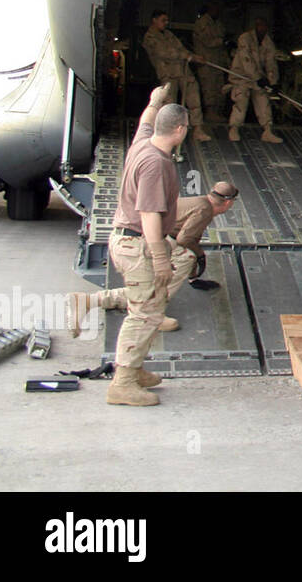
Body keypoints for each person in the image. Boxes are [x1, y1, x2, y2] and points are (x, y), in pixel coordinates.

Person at [103, 84, 186, 406]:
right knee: (144, 314)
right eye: (186, 128)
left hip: (126, 240)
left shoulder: (142, 144)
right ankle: (122, 383)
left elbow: (145, 121)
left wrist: (154, 101)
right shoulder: (156, 164)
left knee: (149, 309)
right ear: (179, 130)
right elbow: (149, 213)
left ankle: (134, 370)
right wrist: (161, 258)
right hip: (137, 244)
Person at [68, 181, 238, 337]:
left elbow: (189, 237)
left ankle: (93, 300)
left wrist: (193, 276)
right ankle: (151, 313)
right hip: (142, 241)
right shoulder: (205, 210)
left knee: (157, 278)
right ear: (228, 203)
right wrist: (200, 255)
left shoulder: (200, 201)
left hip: (138, 236)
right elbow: (185, 240)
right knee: (185, 258)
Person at [141, 10, 212, 141]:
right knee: (169, 105)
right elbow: (164, 52)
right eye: (163, 20)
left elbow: (181, 48)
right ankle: (167, 134)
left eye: (167, 20)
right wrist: (187, 56)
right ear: (154, 20)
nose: (166, 23)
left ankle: (198, 129)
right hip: (168, 74)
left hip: (183, 70)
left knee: (194, 98)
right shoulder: (150, 37)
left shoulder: (169, 34)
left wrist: (194, 57)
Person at [228, 18, 282, 143]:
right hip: (242, 77)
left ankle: (267, 131)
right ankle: (234, 129)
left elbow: (271, 63)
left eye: (265, 26)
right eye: (260, 26)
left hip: (257, 79)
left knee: (263, 102)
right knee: (241, 101)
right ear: (256, 26)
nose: (262, 28)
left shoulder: (268, 42)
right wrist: (257, 77)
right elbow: (246, 59)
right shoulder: (244, 38)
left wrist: (273, 82)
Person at [192, 3, 229, 122]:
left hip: (218, 62)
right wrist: (222, 41)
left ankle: (217, 113)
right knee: (209, 87)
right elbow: (208, 41)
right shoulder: (202, 23)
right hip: (206, 61)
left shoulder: (218, 24)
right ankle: (210, 112)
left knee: (219, 88)